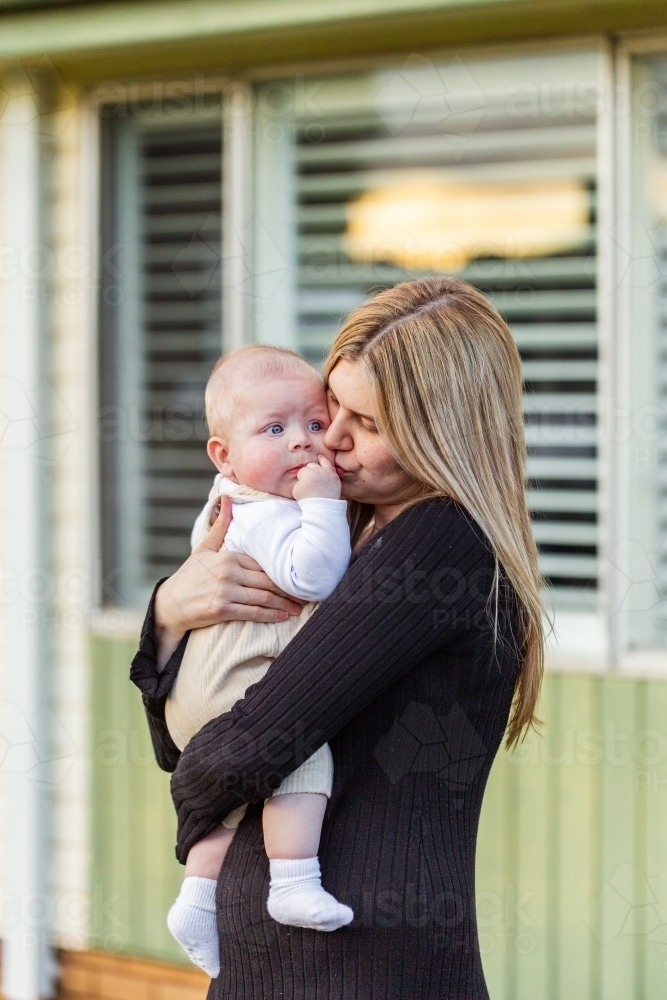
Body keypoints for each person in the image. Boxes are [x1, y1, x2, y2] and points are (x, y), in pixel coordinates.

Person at [131, 276, 544, 1000]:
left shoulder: (438, 544)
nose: (333, 441)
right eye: (333, 410)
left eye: (370, 424)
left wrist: (197, 803)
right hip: (282, 961)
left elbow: (250, 741)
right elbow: (185, 741)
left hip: (361, 966)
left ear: (442, 430)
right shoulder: (335, 529)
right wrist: (168, 615)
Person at [164, 346, 353, 979]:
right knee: (301, 751)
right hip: (233, 683)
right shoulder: (268, 512)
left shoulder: (229, 499)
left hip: (197, 693)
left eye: (315, 424)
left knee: (241, 797)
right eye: (275, 430)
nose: (301, 443)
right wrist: (325, 502)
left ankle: (197, 896)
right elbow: (314, 575)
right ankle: (293, 881)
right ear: (224, 454)